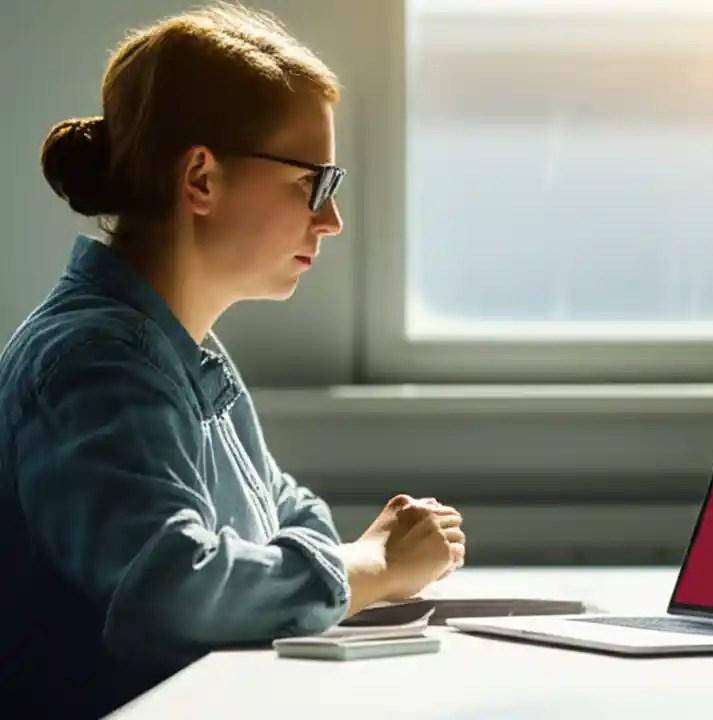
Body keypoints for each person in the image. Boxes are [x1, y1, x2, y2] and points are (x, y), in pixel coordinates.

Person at [0, 5, 464, 716]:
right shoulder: (97, 364)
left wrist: (340, 567)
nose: (331, 219)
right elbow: (171, 591)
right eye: (312, 182)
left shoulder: (178, 350)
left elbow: (289, 514)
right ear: (201, 179)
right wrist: (371, 564)